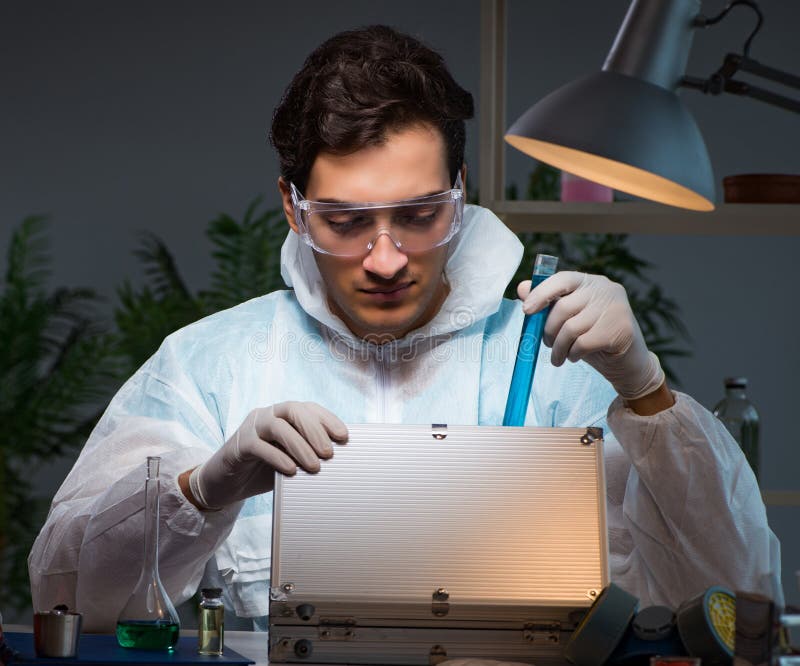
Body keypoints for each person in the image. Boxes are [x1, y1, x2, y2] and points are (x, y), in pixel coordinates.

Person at [29, 25, 782, 632]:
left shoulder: (558, 362)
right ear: (293, 207)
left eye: (420, 216)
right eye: (346, 221)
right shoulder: (208, 366)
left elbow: (739, 603)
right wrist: (202, 487)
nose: (385, 259)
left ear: (459, 192)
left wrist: (644, 389)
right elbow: (68, 603)